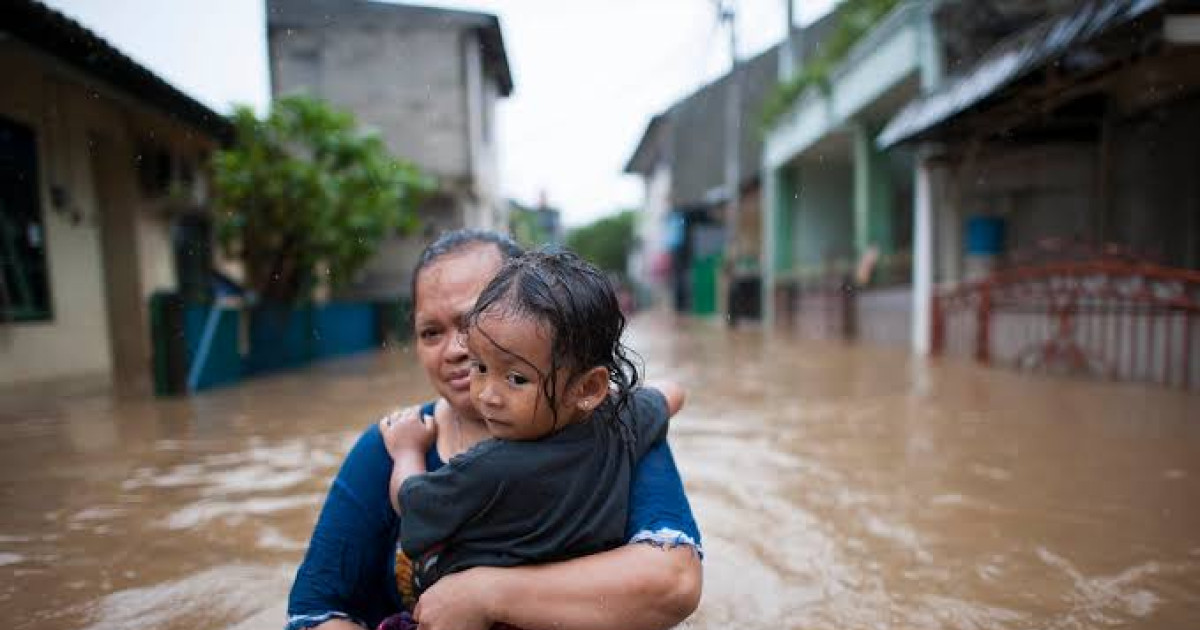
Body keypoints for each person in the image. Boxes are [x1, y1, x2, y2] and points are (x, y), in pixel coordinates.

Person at [287, 230, 702, 630]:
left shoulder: (614, 430)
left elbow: (672, 583)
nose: (455, 350)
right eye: (431, 333)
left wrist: (483, 595)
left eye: (472, 324)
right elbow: (314, 611)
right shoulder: (385, 446)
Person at [380, 250, 685, 618]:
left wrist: (407, 451)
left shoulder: (487, 468)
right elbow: (672, 394)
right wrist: (607, 401)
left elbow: (410, 502)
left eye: (516, 379)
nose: (488, 395)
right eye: (481, 367)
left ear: (589, 387)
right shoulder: (624, 423)